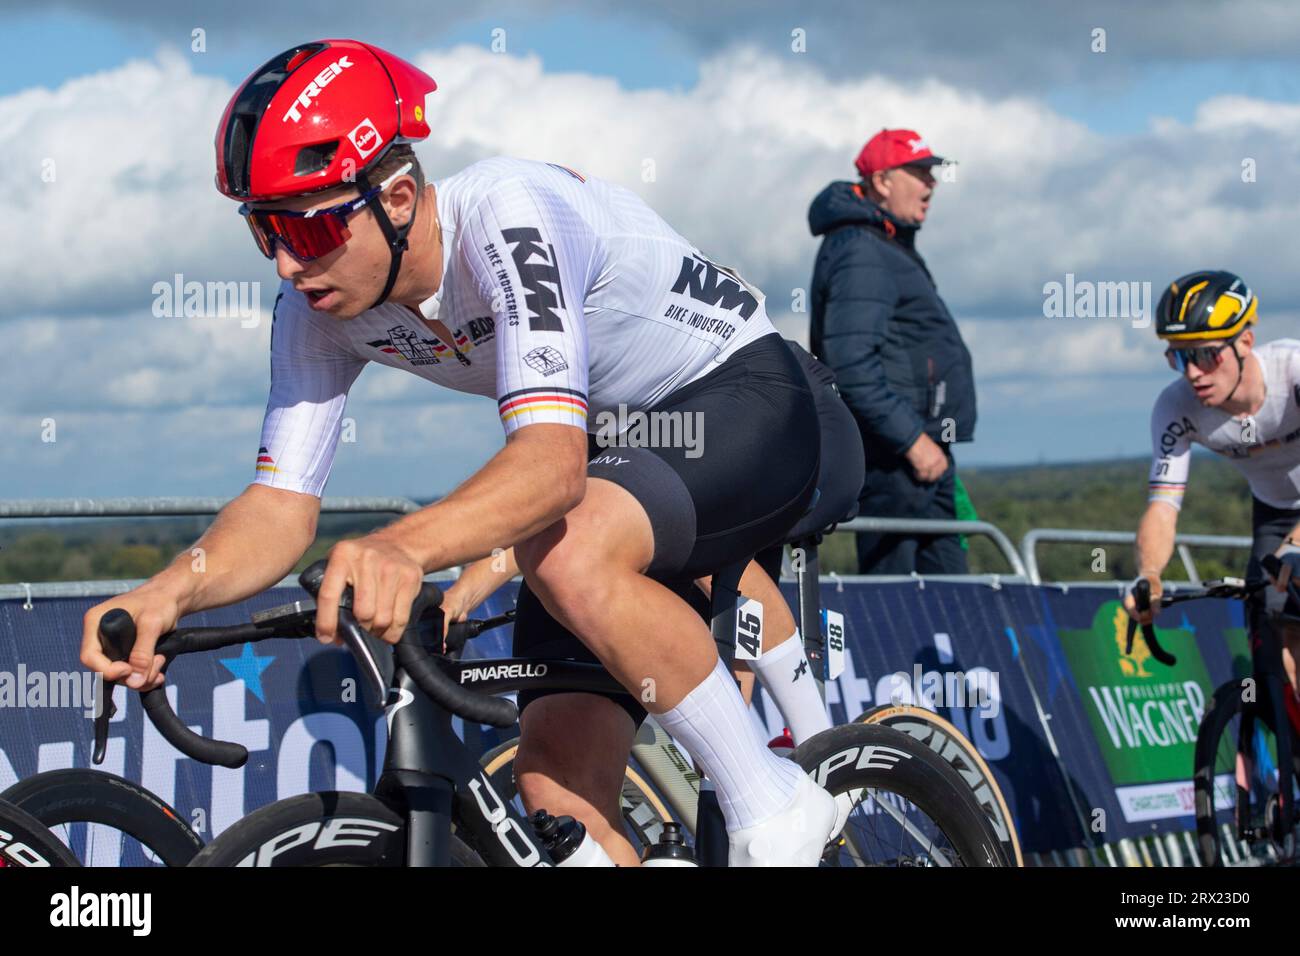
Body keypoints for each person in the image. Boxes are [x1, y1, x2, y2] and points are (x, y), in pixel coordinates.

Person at [78, 39, 835, 865]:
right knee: (559, 810)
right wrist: (168, 592)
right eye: (265, 231)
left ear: (399, 196)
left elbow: (550, 464)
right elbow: (279, 506)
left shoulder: (508, 215)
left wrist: (402, 544)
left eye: (316, 225)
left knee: (568, 547)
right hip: (614, 461)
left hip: (737, 398)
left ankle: (774, 804)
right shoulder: (316, 310)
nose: (291, 262)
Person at [443, 340, 865, 863]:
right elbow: (532, 504)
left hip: (781, 414)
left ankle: (825, 755)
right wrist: (452, 596)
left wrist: (474, 581)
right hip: (626, 447)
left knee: (694, 541)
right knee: (557, 773)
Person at [1124, 270, 1300, 701]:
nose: (1193, 372)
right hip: (1274, 513)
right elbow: (1163, 506)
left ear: (1245, 342)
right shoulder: (1176, 407)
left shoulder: (1293, 371)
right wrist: (1149, 575)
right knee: (1268, 639)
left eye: (1205, 354)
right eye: (1178, 357)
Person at [808, 128, 976, 574]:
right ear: (882, 182)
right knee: (896, 610)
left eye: (932, 172)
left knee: (948, 603)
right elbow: (850, 365)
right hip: (896, 463)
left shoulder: (881, 243)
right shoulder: (861, 250)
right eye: (920, 172)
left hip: (917, 461)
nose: (931, 183)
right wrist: (913, 442)